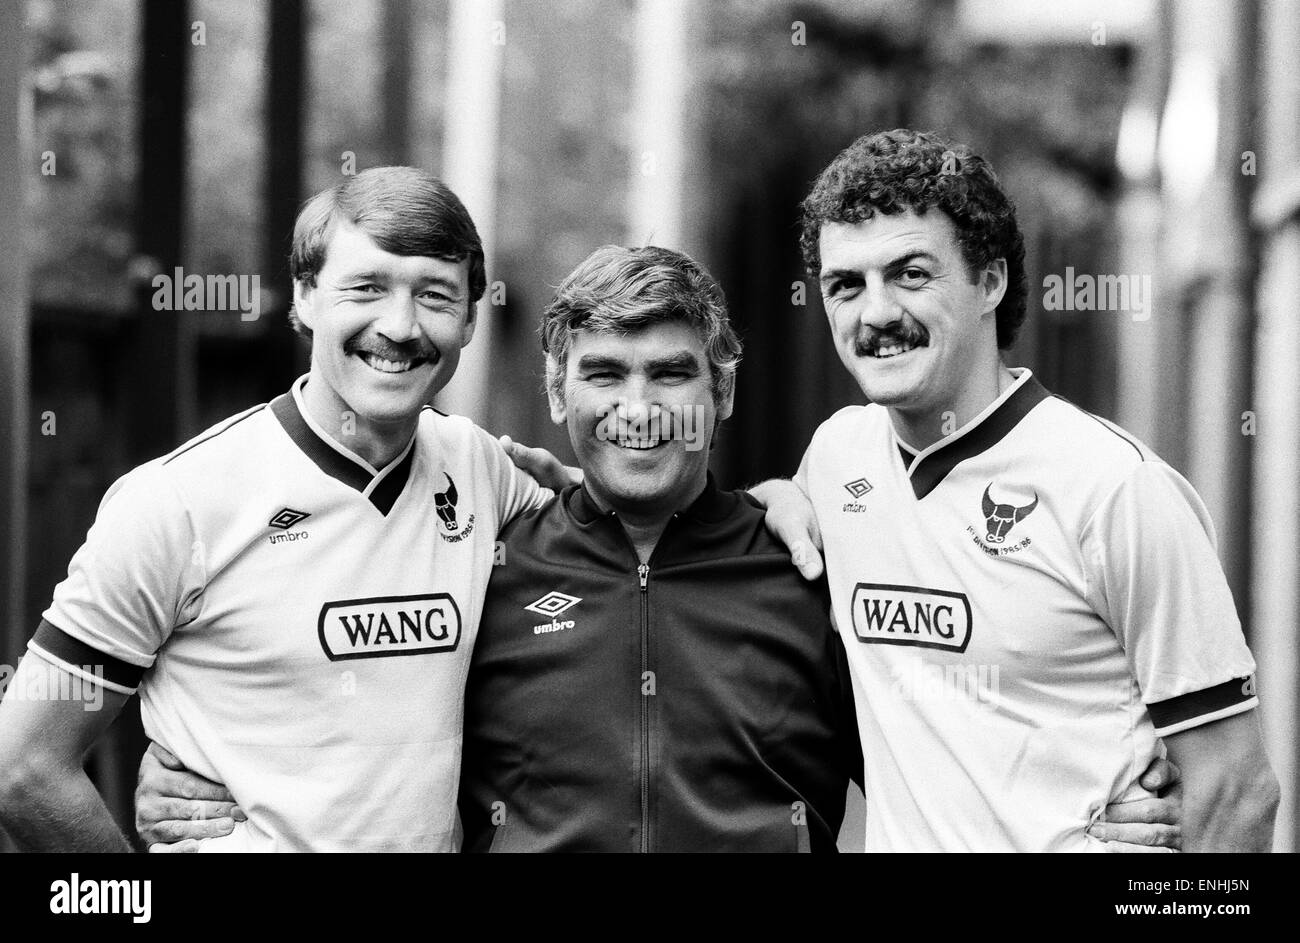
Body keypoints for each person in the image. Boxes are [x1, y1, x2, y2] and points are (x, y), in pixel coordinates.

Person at [136, 245, 1183, 852]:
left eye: (670, 373)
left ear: (719, 390)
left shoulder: (816, 570)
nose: (637, 410)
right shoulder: (476, 570)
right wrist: (207, 768)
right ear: (556, 392)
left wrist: (1107, 817)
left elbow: (959, 756)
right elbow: (350, 731)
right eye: (603, 373)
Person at [753, 128, 1278, 851]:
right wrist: (775, 495)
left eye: (910, 273)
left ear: (990, 282)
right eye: (847, 284)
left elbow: (1237, 790)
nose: (874, 313)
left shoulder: (1115, 490)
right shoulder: (837, 459)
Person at [0, 167, 547, 851]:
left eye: (435, 295)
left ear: (469, 318)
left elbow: (634, 553)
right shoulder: (177, 503)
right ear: (307, 297)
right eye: (366, 287)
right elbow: (20, 766)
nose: (401, 326)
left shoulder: (481, 470)